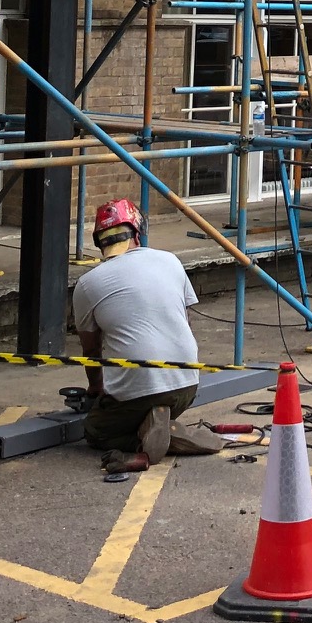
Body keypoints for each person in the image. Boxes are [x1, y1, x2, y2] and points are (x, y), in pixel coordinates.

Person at [71, 198, 222, 471]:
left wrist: (96, 391)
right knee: (153, 400)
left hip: (138, 395)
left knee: (95, 431)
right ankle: (165, 424)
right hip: (187, 385)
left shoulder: (87, 284)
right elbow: (183, 321)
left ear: (100, 243)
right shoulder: (171, 261)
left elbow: (91, 352)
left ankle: (153, 438)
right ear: (137, 233)